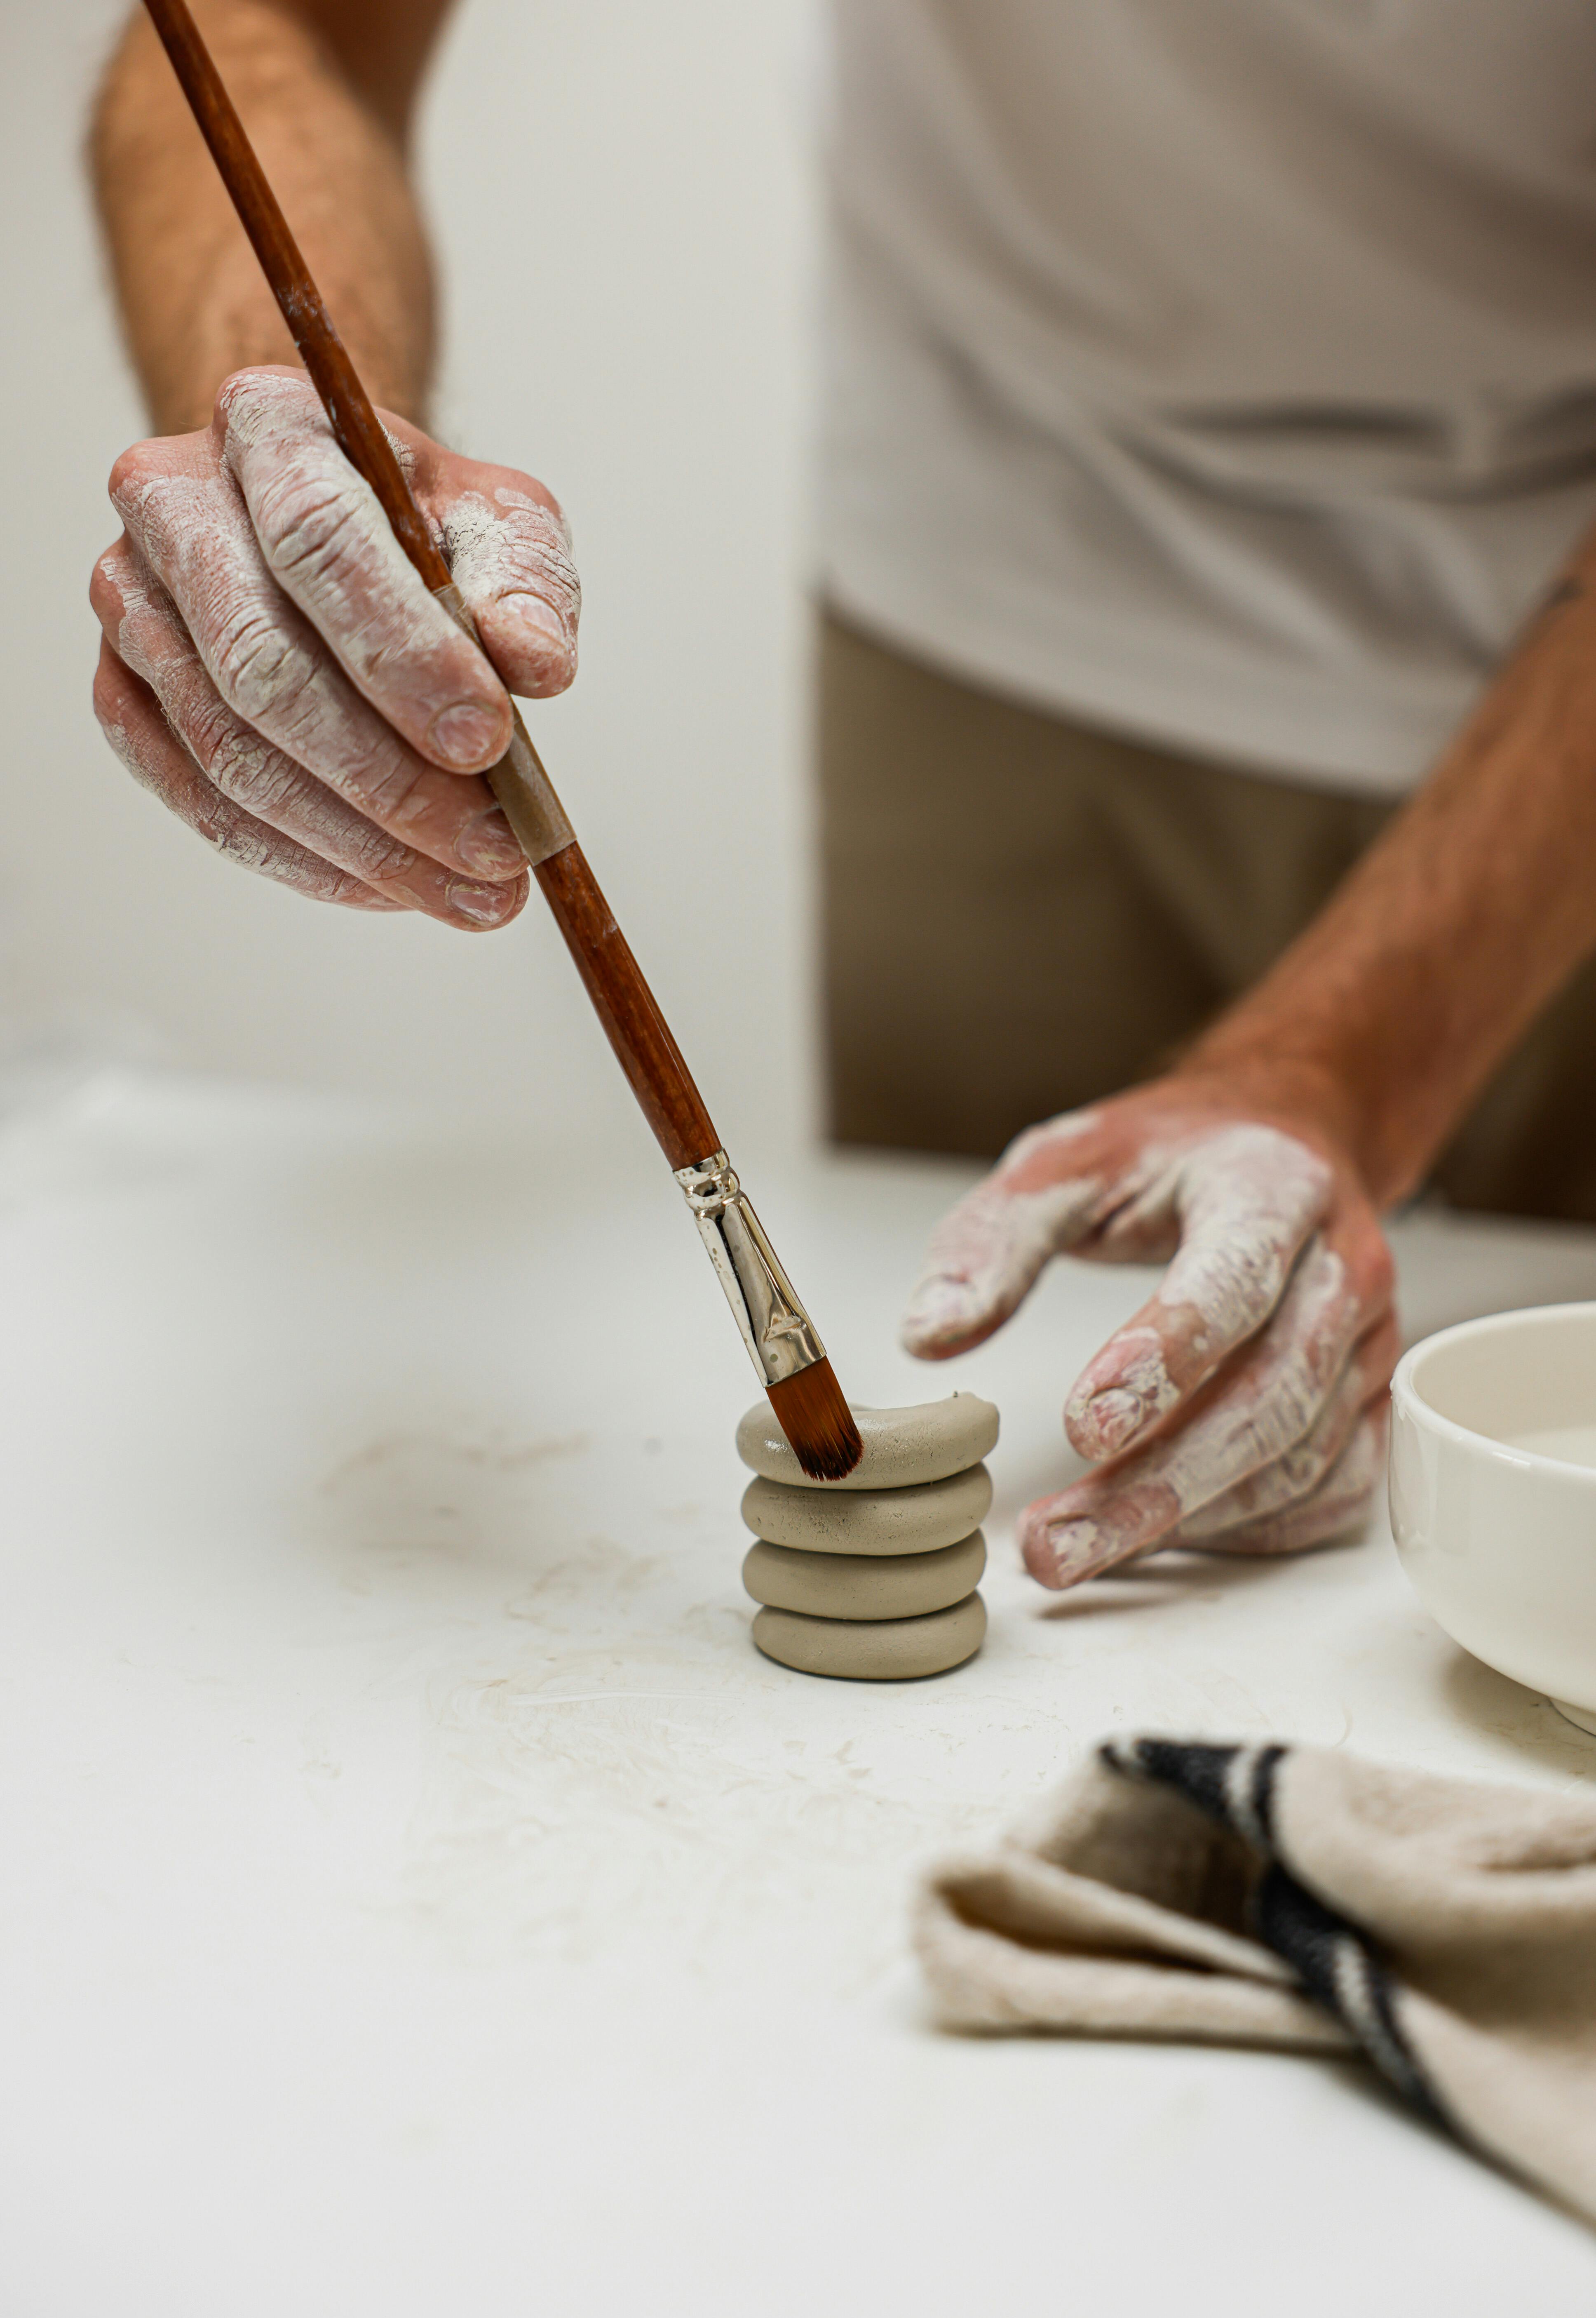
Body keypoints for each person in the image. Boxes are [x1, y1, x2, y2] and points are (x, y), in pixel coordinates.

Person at [88, 2, 1596, 1592]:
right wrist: (288, 461)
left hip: (1543, 552)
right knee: (996, 1334)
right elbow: (276, 30)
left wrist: (1343, 1076)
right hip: (997, 527)